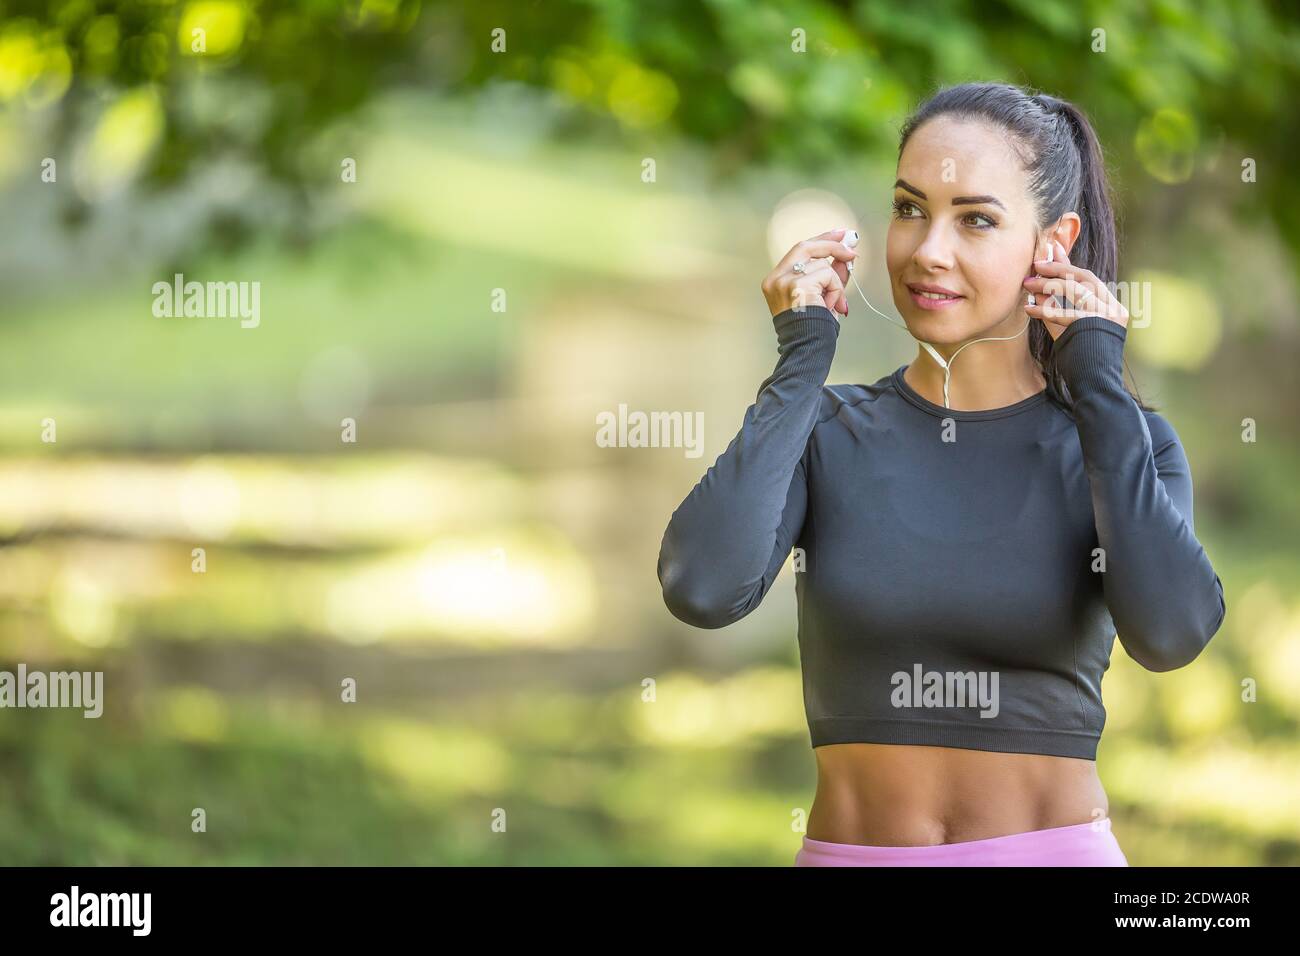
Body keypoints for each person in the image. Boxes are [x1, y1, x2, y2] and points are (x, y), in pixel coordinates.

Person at [655, 82, 1227, 866]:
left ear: (1053, 243)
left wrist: (1097, 382)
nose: (928, 250)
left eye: (977, 219)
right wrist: (800, 367)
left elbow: (1171, 634)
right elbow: (702, 586)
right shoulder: (826, 430)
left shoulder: (1122, 441)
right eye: (909, 207)